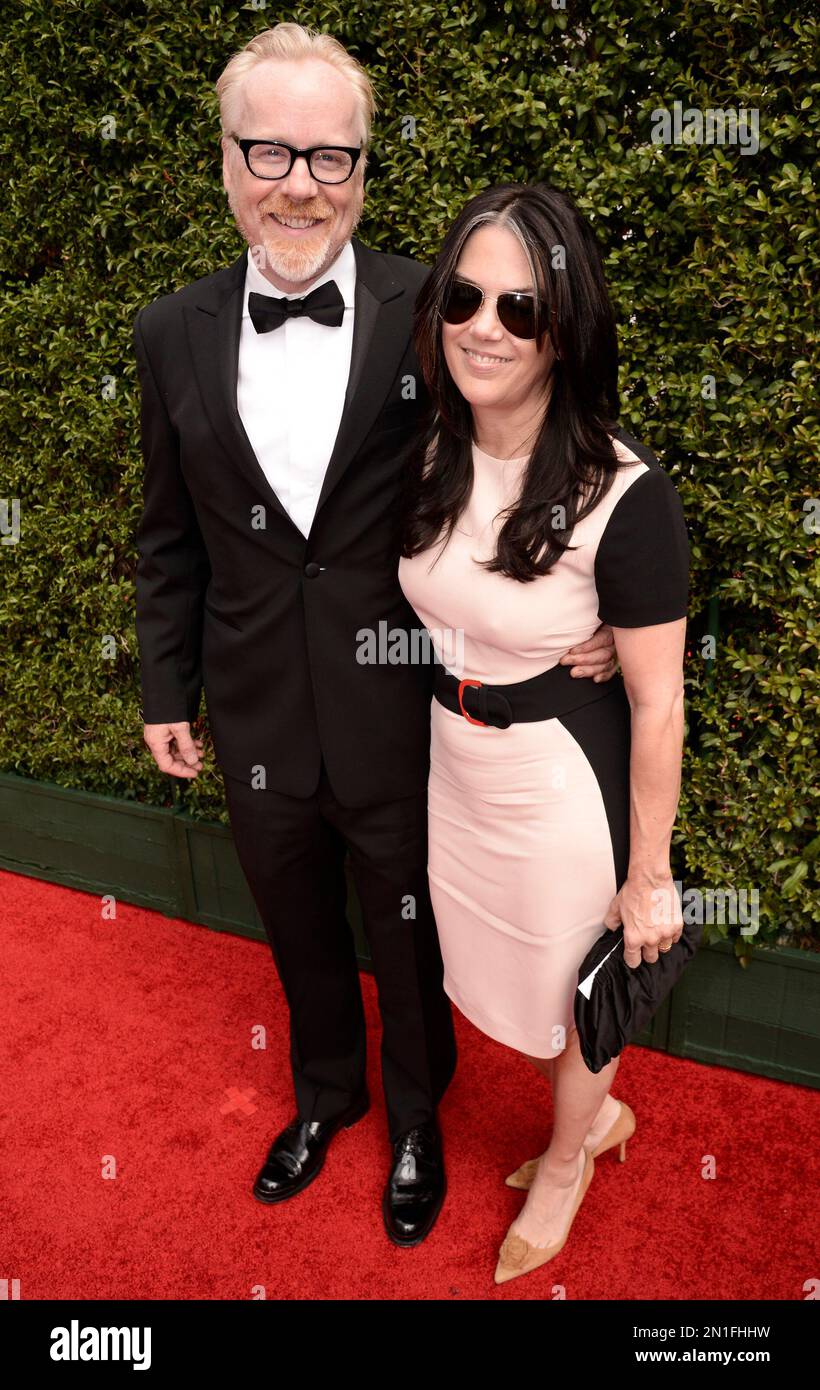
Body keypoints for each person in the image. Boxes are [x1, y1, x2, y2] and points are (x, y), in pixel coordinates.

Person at [133, 24, 618, 1249]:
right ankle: (325, 1096)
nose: (300, 181)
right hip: (247, 707)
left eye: (329, 155)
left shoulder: (435, 306)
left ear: (362, 168)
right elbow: (167, 531)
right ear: (227, 163)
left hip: (402, 703)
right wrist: (162, 682)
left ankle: (415, 1118)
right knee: (294, 924)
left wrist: (606, 605)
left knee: (406, 930)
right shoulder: (168, 330)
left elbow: (544, 438)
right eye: (271, 150)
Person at [398, 181, 689, 1283]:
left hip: (560, 784)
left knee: (580, 996)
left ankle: (568, 1156)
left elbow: (660, 701)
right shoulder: (427, 450)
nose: (484, 327)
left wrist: (651, 873)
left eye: (519, 310)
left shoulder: (624, 492)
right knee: (505, 980)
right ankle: (585, 1127)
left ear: (564, 330)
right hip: (452, 765)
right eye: (464, 298)